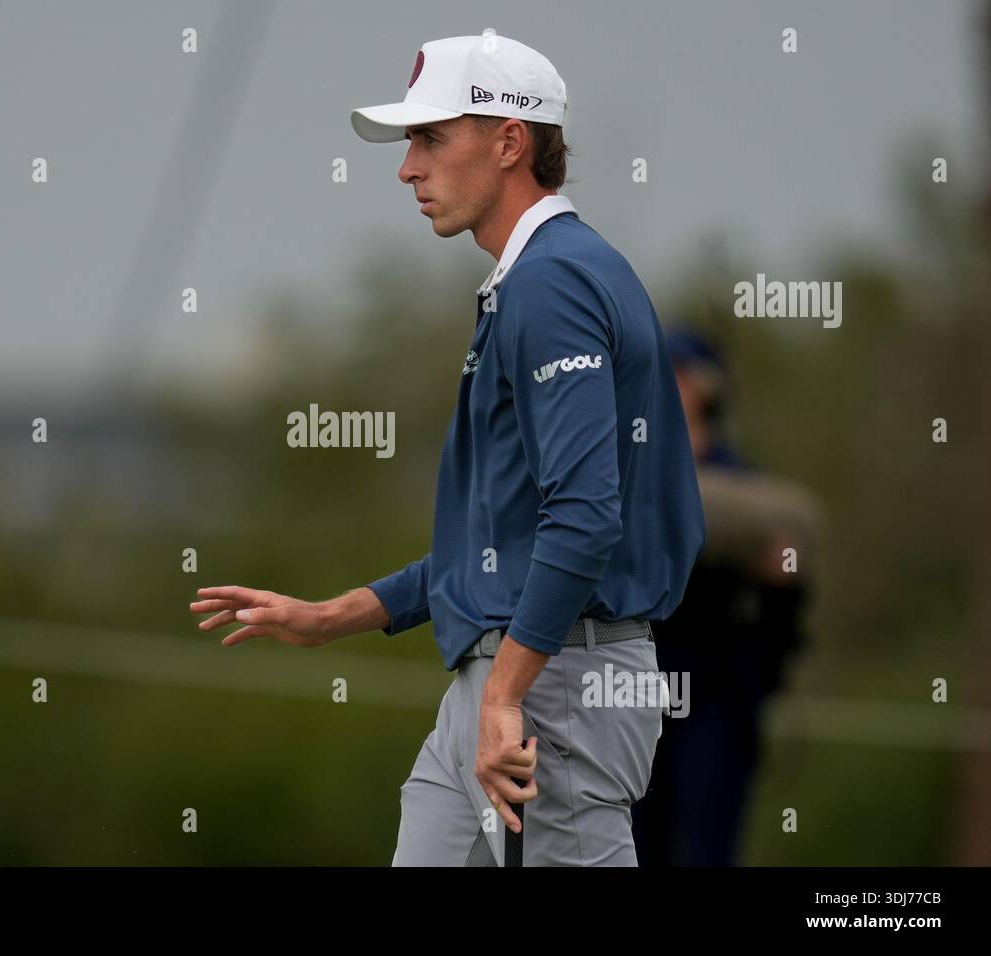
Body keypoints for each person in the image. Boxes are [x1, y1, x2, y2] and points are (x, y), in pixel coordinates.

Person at [190, 32, 704, 866]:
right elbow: (506, 547)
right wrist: (334, 616)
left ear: (509, 142)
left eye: (430, 138)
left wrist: (506, 696)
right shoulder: (539, 276)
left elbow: (583, 517)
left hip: (551, 685)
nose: (407, 168)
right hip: (520, 677)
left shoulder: (553, 282)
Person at [630, 329, 820, 866]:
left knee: (706, 849)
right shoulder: (621, 465)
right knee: (631, 848)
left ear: (707, 388)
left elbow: (789, 574)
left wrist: (763, 681)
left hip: (717, 696)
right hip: (630, 692)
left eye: (681, 373)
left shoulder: (744, 482)